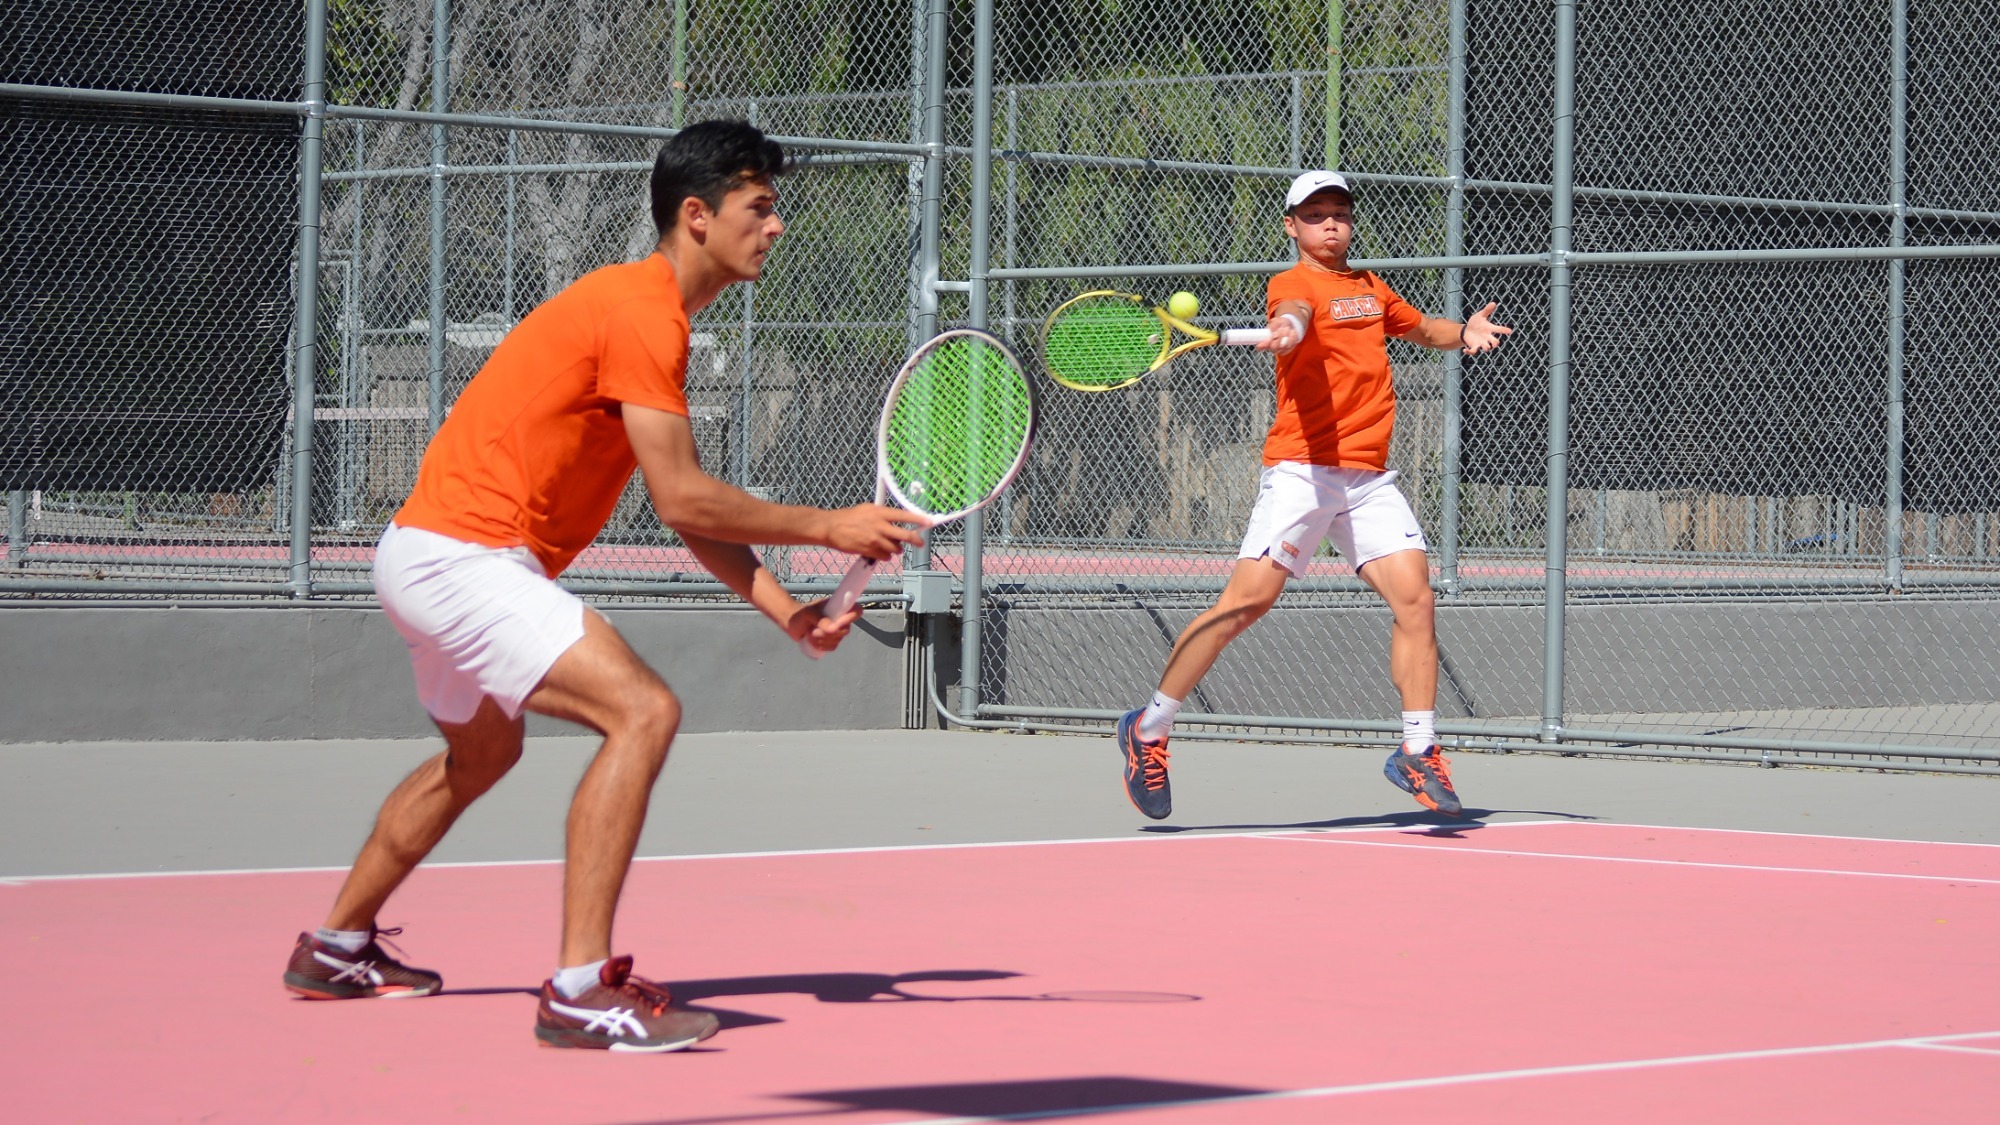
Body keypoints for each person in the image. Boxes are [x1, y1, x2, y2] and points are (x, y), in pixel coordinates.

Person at [280, 121, 925, 1052]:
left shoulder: (644, 315)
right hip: (465, 556)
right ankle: (580, 989)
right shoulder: (641, 311)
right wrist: (826, 525)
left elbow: (684, 513)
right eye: (761, 206)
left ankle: (335, 947)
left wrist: (786, 608)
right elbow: (685, 491)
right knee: (643, 712)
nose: (776, 226)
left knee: (483, 756)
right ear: (697, 216)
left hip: (428, 553)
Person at [1114, 169, 1512, 822]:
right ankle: (1150, 727)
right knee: (1245, 605)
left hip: (1367, 477)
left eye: (1341, 212)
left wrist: (1462, 332)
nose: (1332, 223)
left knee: (1416, 596)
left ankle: (1418, 750)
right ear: (1291, 225)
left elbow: (1417, 329)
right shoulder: (1290, 286)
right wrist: (1290, 332)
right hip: (1302, 472)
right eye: (1316, 213)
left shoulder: (1369, 287)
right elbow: (1292, 316)